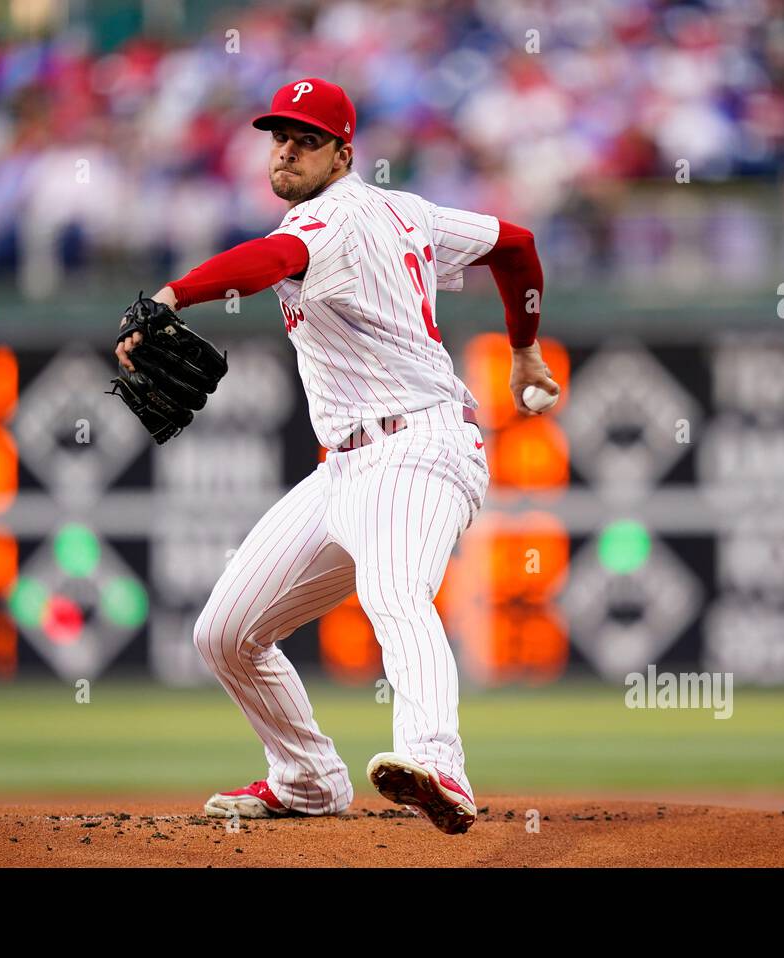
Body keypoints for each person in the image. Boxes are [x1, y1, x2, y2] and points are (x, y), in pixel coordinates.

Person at [117, 77, 557, 834]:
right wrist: (525, 351)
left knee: (394, 596)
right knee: (224, 633)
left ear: (342, 153)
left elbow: (270, 257)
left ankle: (437, 761)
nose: (286, 148)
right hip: (347, 465)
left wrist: (172, 295)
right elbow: (514, 246)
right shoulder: (409, 210)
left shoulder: (335, 219)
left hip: (419, 444)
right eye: (279, 135)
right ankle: (308, 780)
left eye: (306, 139)